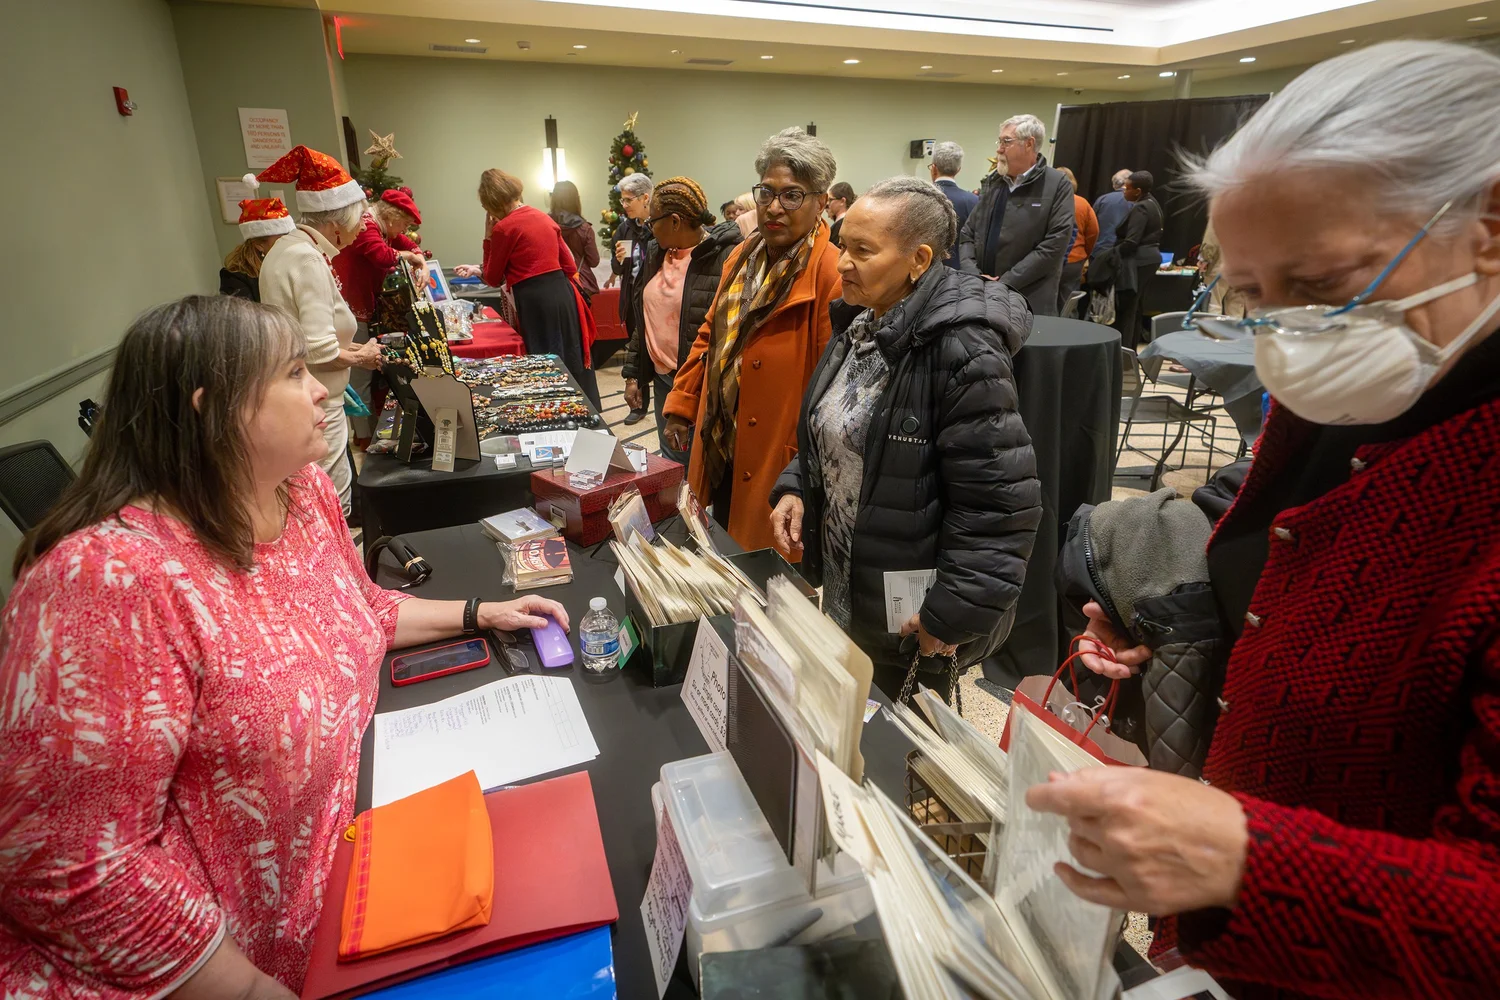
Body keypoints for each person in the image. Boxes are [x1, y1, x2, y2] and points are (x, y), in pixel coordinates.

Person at [1029, 40, 1500, 1000]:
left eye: (1323, 289)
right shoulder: (1372, 376)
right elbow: (1303, 583)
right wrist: (1176, 630)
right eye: (1255, 299)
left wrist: (1245, 859)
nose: (1290, 339)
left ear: (1488, 228)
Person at [0, 295, 569, 1000]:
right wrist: (250, 990)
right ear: (218, 412)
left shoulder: (299, 492)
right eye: (296, 372)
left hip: (349, 846)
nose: (321, 389)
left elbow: (355, 613)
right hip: (216, 967)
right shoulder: (105, 582)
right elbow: (72, 872)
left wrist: (483, 612)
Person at [768, 178, 1041, 702]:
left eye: (862, 251)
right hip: (855, 581)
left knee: (896, 749)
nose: (842, 262)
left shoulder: (964, 350)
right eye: (842, 245)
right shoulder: (860, 322)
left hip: (914, 614)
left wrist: (952, 612)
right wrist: (796, 485)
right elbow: (836, 429)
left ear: (918, 259)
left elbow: (999, 506)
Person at [662, 128, 843, 553]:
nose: (775, 207)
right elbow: (709, 337)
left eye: (792, 195)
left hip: (776, 455)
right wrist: (683, 406)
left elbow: (829, 390)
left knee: (761, 569)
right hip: (720, 437)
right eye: (766, 192)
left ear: (820, 201)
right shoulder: (741, 257)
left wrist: (801, 469)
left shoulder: (831, 274)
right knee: (715, 541)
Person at [254, 146, 380, 517]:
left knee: (314, 492)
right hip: (320, 403)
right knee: (330, 498)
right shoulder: (308, 259)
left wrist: (354, 348)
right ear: (338, 224)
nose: (360, 232)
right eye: (360, 223)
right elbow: (318, 349)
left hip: (300, 395)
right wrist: (363, 357)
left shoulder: (287, 249)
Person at [621, 177, 742, 466]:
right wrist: (634, 373)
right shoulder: (656, 252)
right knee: (673, 461)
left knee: (702, 466)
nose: (650, 229)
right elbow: (644, 318)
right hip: (664, 379)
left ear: (675, 222)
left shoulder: (724, 256)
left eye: (654, 222)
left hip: (699, 384)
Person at [479, 168, 602, 408]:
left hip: (535, 299)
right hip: (562, 294)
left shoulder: (503, 229)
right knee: (572, 355)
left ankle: (556, 415)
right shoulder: (544, 218)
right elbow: (568, 264)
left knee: (546, 362)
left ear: (492, 204)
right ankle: (585, 411)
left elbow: (492, 277)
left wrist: (487, 238)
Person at [332, 187, 429, 441]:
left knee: (365, 375)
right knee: (361, 375)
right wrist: (411, 256)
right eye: (404, 224)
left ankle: (368, 432)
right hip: (351, 309)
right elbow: (382, 255)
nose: (404, 230)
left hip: (360, 306)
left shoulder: (381, 225)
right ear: (392, 216)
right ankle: (364, 438)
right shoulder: (366, 225)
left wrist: (421, 259)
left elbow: (403, 243)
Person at [957, 113, 1075, 316]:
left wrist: (1006, 282)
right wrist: (974, 276)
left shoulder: (1056, 184)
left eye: (1006, 142)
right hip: (983, 296)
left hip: (1029, 300)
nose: (999, 149)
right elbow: (967, 234)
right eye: (1000, 141)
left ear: (1029, 144)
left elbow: (1054, 245)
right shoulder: (994, 181)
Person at [610, 173, 655, 423]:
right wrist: (618, 261)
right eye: (623, 200)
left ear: (645, 198)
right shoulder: (624, 228)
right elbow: (618, 270)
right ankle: (639, 405)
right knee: (636, 353)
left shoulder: (658, 227)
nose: (624, 205)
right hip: (631, 300)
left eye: (628, 200)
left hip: (654, 300)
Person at [1111, 170, 1164, 348]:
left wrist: (1111, 255)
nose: (1124, 191)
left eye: (1127, 188)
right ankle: (1129, 350)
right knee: (1136, 308)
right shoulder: (1153, 203)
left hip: (1139, 261)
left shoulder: (1141, 207)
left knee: (1128, 309)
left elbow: (1131, 242)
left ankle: (1122, 352)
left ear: (1138, 191)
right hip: (1150, 258)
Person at [219, 195, 295, 301]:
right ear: (259, 245)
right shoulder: (235, 278)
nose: (289, 243)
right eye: (281, 239)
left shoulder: (295, 262)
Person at [1056, 166, 1099, 315]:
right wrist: (1085, 254)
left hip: (1050, 261)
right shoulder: (1083, 204)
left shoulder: (1050, 202)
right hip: (1074, 262)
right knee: (1069, 304)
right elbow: (1093, 233)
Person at [928, 141, 978, 267]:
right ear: (958, 170)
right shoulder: (974, 201)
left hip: (927, 272)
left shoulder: (921, 198)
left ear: (933, 168)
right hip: (963, 274)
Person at [549, 180, 601, 302]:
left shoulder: (545, 224)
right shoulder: (585, 228)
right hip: (580, 282)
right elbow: (594, 261)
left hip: (554, 282)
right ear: (575, 200)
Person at [1092, 168, 1134, 253]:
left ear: (1114, 185)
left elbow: (1091, 225)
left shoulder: (1102, 199)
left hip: (1099, 251)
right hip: (1123, 253)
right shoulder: (1135, 202)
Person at [827, 181, 855, 246]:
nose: (827, 203)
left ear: (842, 201)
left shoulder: (841, 225)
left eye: (830, 200)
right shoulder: (845, 222)